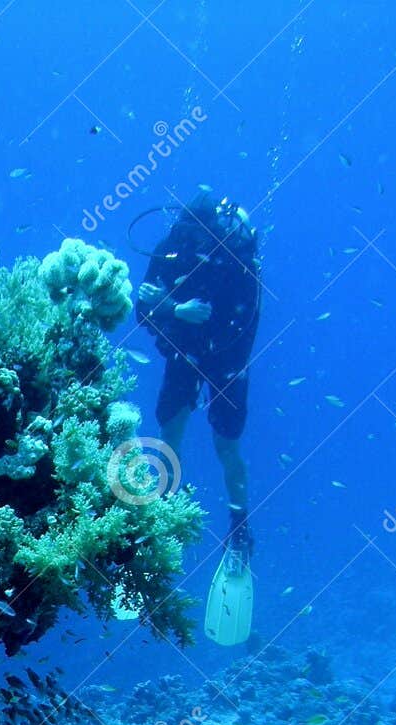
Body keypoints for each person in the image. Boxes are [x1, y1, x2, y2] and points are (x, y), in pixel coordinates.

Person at [134, 185, 262, 566]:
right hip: (182, 351)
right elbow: (143, 308)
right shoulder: (170, 247)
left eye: (197, 234)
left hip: (227, 360)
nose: (190, 241)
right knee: (170, 430)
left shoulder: (235, 260)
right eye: (186, 231)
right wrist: (176, 309)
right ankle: (159, 514)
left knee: (226, 446)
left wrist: (215, 352)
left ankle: (239, 526)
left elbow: (246, 324)